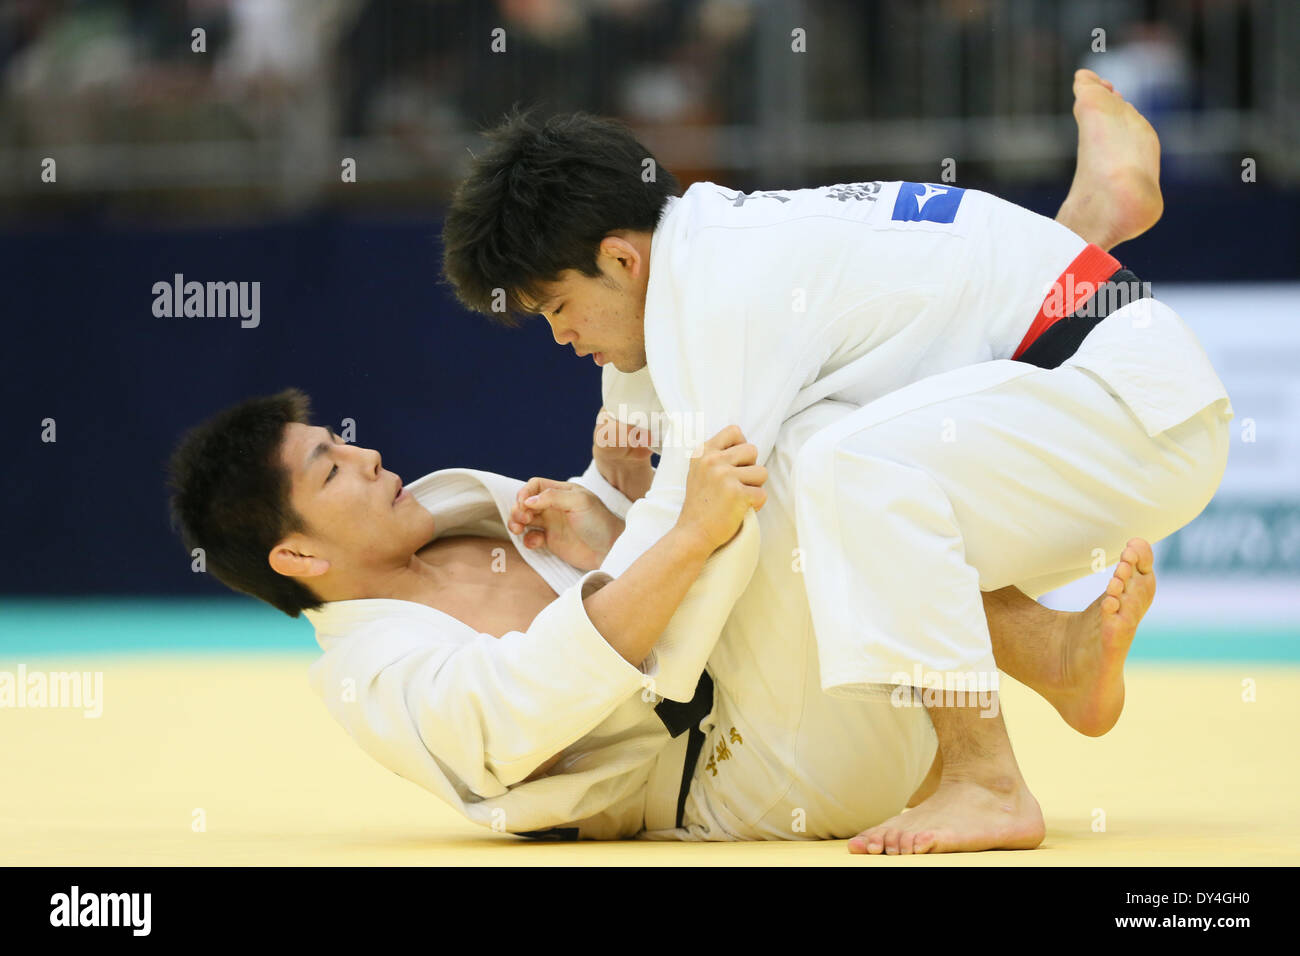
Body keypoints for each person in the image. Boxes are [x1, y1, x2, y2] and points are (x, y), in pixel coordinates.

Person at [441, 69, 1232, 852]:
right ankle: (1050, 652)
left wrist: (566, 669)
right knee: (810, 457)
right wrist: (596, 506)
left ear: (620, 260)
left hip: (1138, 414)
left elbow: (698, 528)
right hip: (1080, 365)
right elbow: (648, 475)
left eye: (555, 308)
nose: (560, 337)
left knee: (840, 469)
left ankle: (986, 783)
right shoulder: (689, 268)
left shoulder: (725, 286)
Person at [165, 390, 1154, 843]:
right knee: (795, 461)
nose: (368, 455)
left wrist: (619, 487)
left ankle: (1050, 657)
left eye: (347, 442)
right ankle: (987, 763)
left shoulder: (451, 505)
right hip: (745, 775)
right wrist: (676, 532)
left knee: (799, 432)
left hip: (803, 693)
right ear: (296, 555)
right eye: (332, 469)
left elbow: (614, 563)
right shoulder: (370, 676)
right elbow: (522, 704)